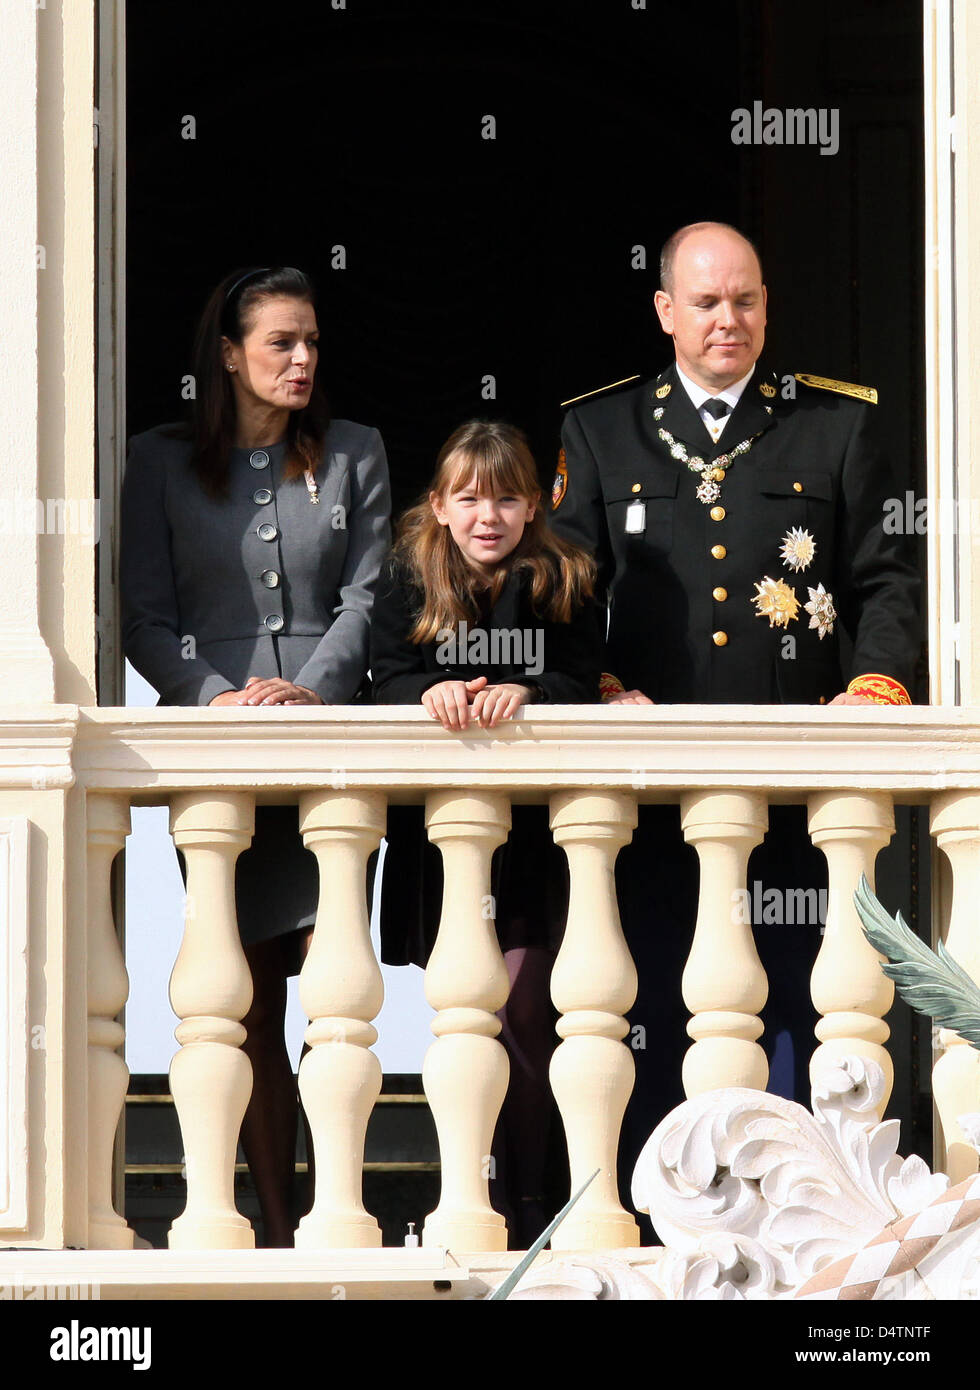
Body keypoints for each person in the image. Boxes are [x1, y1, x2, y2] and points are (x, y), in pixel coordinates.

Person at [550, 222, 920, 1206]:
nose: (729, 320)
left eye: (745, 299)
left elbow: (885, 579)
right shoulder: (600, 431)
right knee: (647, 1006)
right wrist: (587, 686)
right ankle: (646, 1214)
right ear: (664, 310)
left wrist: (873, 686)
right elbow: (564, 593)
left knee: (808, 1007)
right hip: (646, 797)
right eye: (706, 302)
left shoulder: (831, 428)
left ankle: (806, 1228)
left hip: (796, 796)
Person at [120, 266, 391, 1245]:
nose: (302, 358)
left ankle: (340, 1213)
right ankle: (274, 1223)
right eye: (281, 342)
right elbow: (144, 616)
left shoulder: (355, 452)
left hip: (329, 753)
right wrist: (212, 697)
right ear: (228, 355)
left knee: (336, 989)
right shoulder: (157, 461)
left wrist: (309, 689)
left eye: (312, 340)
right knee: (242, 1001)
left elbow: (367, 599)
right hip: (219, 757)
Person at [370, 418, 602, 1247]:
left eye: (506, 498)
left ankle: (534, 1201)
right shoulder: (406, 579)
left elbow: (582, 677)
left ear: (534, 505)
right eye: (468, 498)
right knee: (467, 1019)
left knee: (532, 1011)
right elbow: (387, 675)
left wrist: (528, 693)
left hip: (537, 843)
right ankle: (473, 1198)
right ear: (437, 505)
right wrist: (423, 695)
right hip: (447, 845)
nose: (487, 515)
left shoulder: (563, 575)